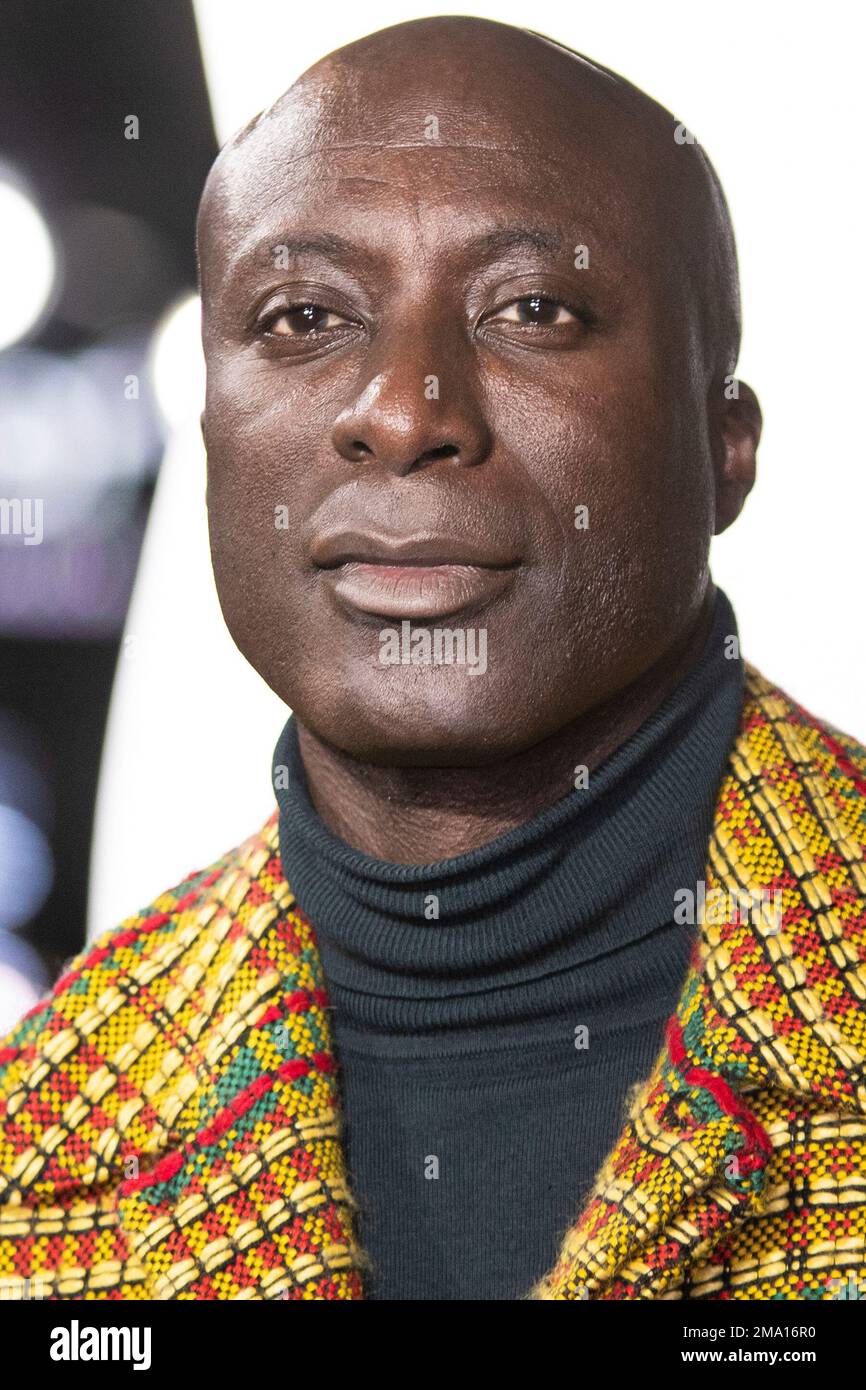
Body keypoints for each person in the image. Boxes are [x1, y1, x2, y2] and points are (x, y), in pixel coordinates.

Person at [1, 16, 864, 1302]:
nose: (403, 411)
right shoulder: (50, 1116)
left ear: (723, 445)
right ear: (211, 434)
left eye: (532, 309)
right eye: (302, 315)